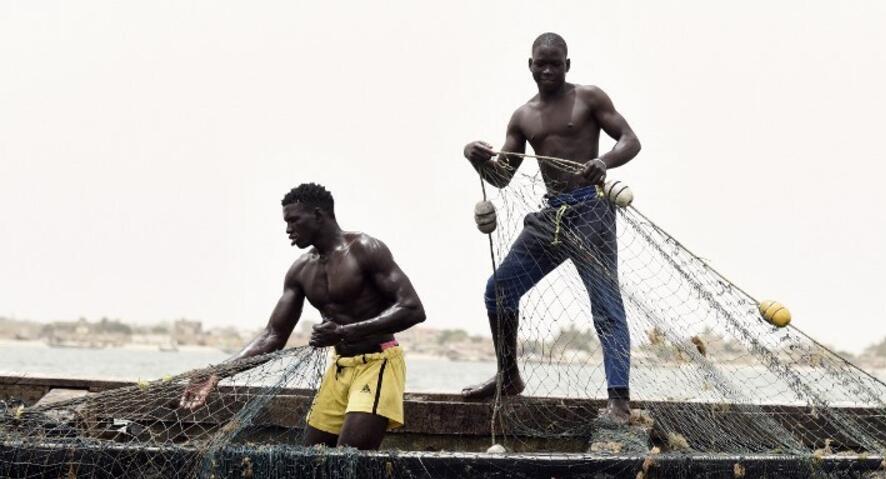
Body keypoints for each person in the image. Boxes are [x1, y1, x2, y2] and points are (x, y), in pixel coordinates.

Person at [462, 31, 641, 422]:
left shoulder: (589, 97)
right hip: (552, 216)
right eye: (539, 64)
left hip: (591, 212)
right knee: (499, 290)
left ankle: (619, 402)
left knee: (606, 306)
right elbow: (502, 177)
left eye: (554, 63)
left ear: (567, 65)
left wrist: (604, 163)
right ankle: (508, 376)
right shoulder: (523, 116)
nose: (547, 70)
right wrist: (475, 158)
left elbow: (630, 140)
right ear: (530, 65)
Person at [181, 183, 426, 450]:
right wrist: (218, 372)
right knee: (310, 458)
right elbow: (273, 335)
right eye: (286, 222)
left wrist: (345, 332)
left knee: (347, 460)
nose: (288, 229)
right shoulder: (300, 270)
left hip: (378, 363)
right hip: (340, 367)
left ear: (318, 215)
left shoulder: (365, 249)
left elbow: (412, 308)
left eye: (294, 220)